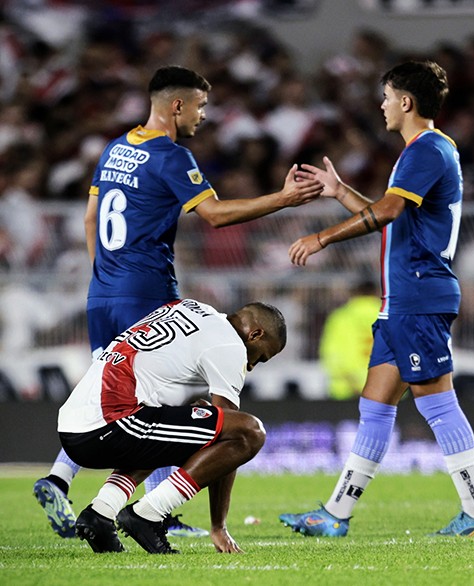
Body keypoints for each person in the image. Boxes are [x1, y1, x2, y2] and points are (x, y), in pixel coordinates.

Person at [32, 65, 323, 540]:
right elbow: (215, 214)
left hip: (102, 293)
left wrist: (107, 275)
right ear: (178, 105)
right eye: (202, 106)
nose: (204, 116)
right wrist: (283, 199)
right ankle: (157, 512)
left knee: (110, 396)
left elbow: (90, 219)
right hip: (145, 291)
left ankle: (62, 480)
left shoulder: (115, 148)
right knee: (162, 405)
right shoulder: (170, 156)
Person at [278, 60, 474, 537]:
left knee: (437, 403)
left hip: (420, 294)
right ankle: (335, 514)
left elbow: (388, 211)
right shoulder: (425, 151)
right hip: (401, 300)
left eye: (386, 96)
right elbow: (390, 217)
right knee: (375, 406)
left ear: (406, 101)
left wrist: (322, 238)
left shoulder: (428, 150)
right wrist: (340, 192)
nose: (381, 105)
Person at [59, 298, 285, 554]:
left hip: (74, 422)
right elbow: (230, 432)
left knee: (175, 425)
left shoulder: (189, 307)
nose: (252, 366)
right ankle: (148, 513)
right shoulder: (230, 344)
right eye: (261, 357)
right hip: (110, 422)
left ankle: (101, 511)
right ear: (255, 334)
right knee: (249, 432)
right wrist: (218, 525)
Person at [319, 279, 382, 400]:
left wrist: (351, 381)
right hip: (386, 391)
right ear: (377, 292)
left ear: (354, 293)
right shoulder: (392, 316)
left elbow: (330, 353)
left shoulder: (340, 317)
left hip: (346, 390)